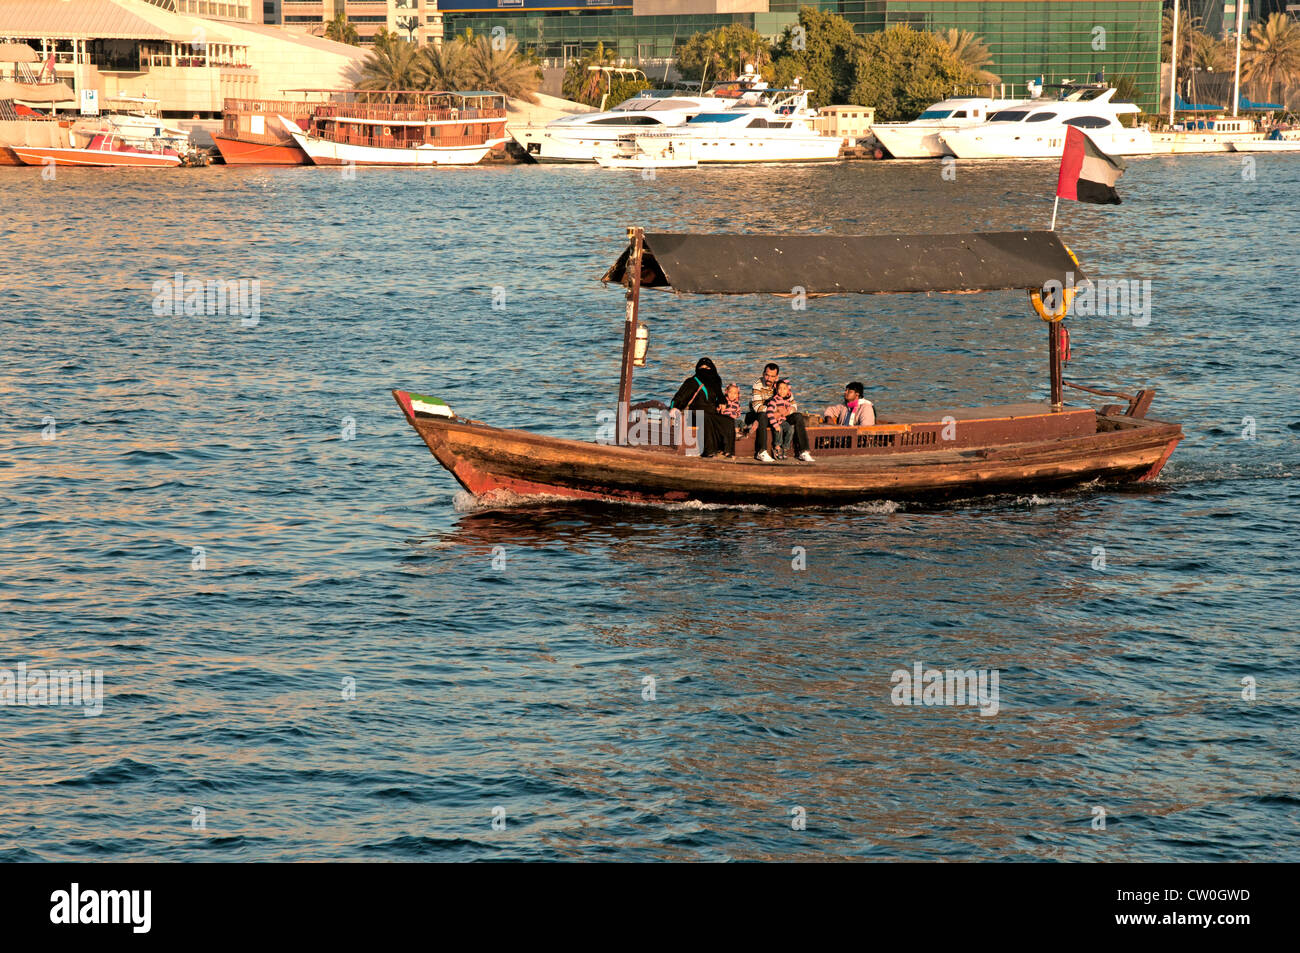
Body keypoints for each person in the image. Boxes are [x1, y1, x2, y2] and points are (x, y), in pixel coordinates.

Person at [747, 361, 814, 463]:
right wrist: (776, 412)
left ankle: (803, 451)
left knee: (798, 416)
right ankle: (762, 451)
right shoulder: (758, 384)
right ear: (763, 374)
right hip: (762, 415)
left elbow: (794, 405)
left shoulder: (781, 386)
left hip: (781, 416)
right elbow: (757, 407)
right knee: (762, 415)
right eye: (767, 375)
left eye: (772, 376)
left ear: (777, 377)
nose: (769, 379)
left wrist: (786, 412)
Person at [670, 357, 735, 458]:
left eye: (707, 368)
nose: (705, 370)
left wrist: (721, 402)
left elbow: (716, 400)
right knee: (705, 417)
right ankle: (709, 451)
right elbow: (679, 398)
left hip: (711, 414)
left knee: (729, 421)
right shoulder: (692, 382)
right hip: (693, 414)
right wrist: (674, 409)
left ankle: (726, 450)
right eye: (702, 367)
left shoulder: (715, 384)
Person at [766, 379, 797, 459]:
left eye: (784, 389)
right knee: (779, 430)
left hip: (782, 420)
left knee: (790, 429)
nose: (782, 391)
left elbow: (790, 409)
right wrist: (775, 424)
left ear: (788, 390)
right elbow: (769, 412)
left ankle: (785, 448)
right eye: (780, 388)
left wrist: (789, 410)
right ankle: (777, 447)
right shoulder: (774, 400)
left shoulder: (787, 400)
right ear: (776, 390)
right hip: (774, 421)